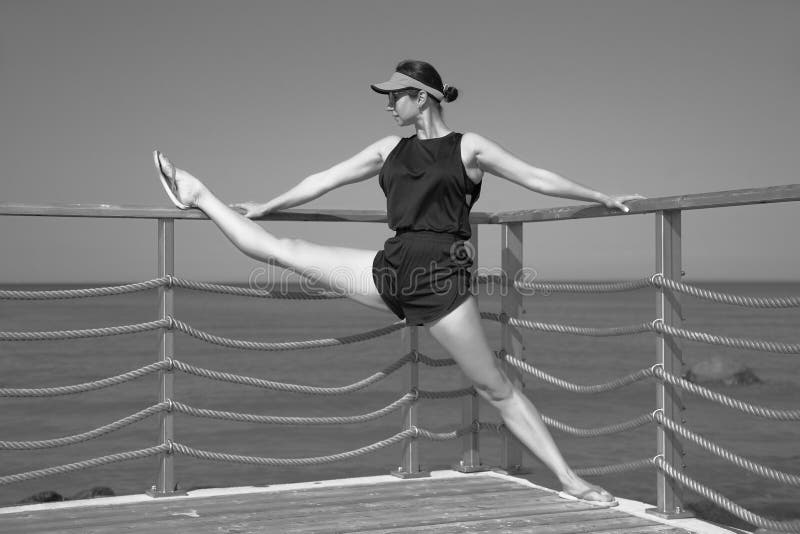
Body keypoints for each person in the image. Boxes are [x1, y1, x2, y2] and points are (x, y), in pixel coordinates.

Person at [154, 59, 643, 506]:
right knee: (282, 249)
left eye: (396, 96)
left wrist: (600, 195)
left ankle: (571, 480)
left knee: (495, 388)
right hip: (391, 271)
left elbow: (534, 176)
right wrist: (266, 205)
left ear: (422, 97)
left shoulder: (468, 147)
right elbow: (325, 177)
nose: (389, 104)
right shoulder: (389, 148)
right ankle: (198, 193)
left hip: (441, 283)